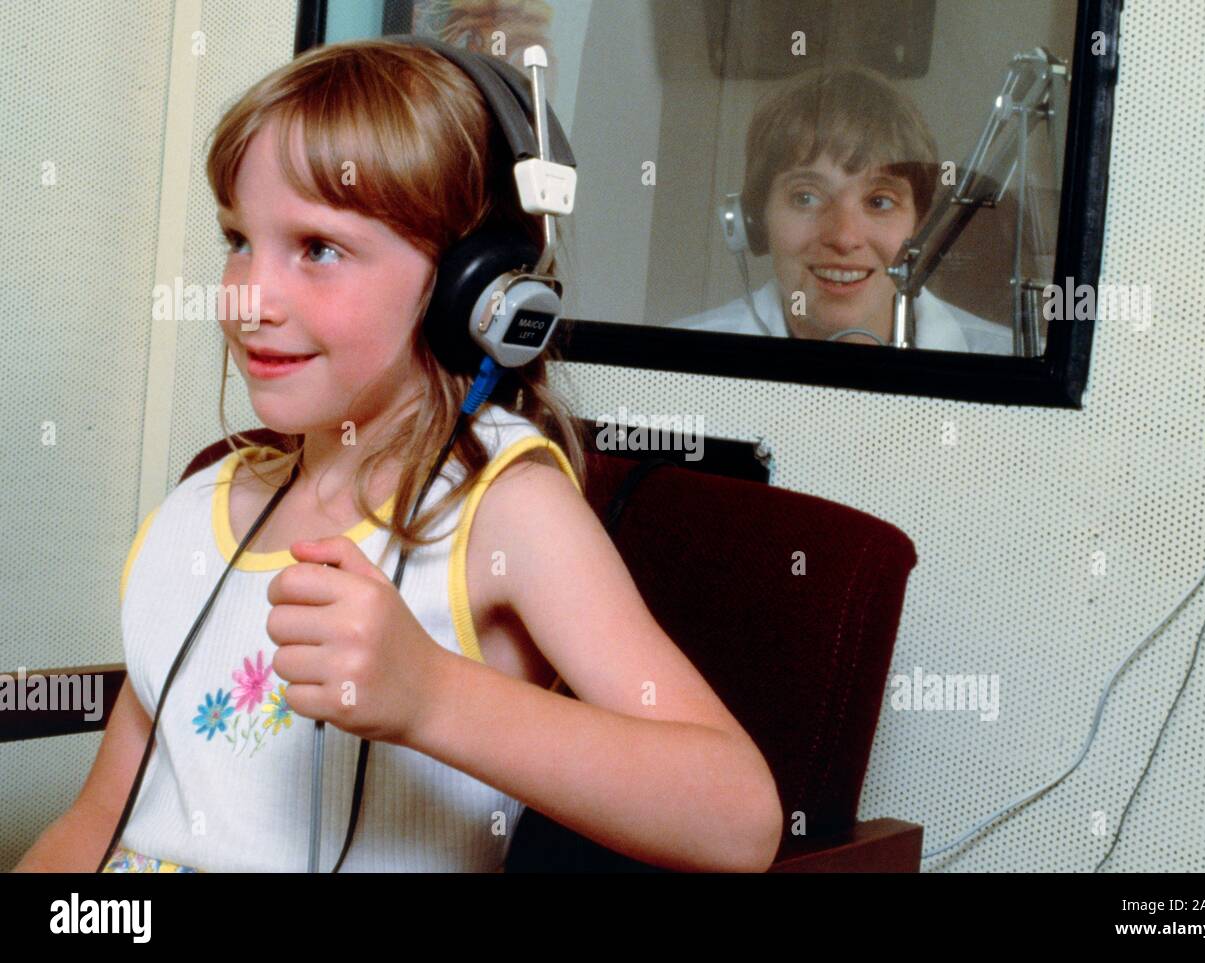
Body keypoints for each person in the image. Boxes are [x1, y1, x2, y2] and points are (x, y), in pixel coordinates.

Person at [15, 39, 782, 874]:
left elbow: (737, 818)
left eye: (317, 247)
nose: (248, 298)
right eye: (239, 239)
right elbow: (95, 822)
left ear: (476, 287)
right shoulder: (204, 507)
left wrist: (430, 695)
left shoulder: (503, 508)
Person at [674, 65, 1015, 355]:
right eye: (806, 197)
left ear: (920, 225)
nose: (843, 237)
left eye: (879, 202)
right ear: (755, 220)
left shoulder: (1015, 366)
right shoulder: (676, 362)